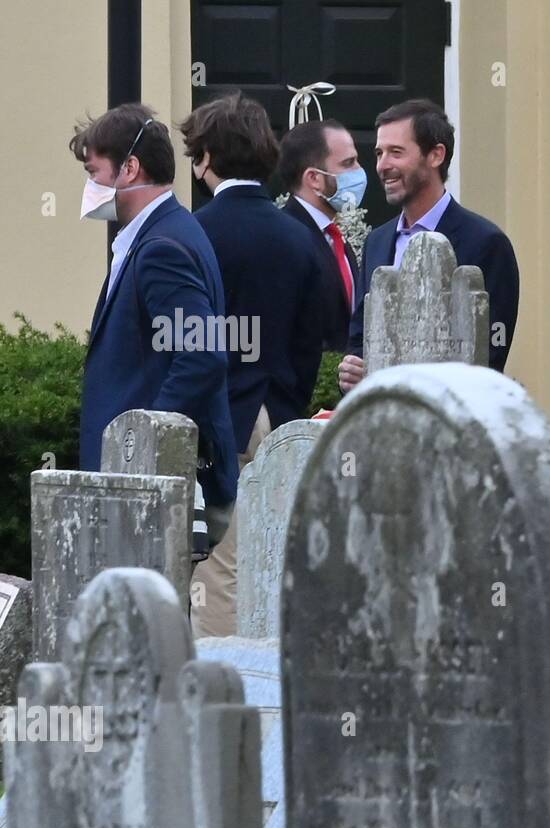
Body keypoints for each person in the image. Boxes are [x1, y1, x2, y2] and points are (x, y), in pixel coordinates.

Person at [180, 92, 324, 637]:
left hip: (218, 419)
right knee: (271, 562)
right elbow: (311, 338)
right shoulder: (299, 235)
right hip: (281, 417)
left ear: (206, 158)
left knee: (219, 566)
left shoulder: (195, 232)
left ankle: (225, 698)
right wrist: (287, 406)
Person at [71, 103, 238, 542]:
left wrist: (143, 445)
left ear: (129, 168)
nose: (90, 185)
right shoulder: (164, 231)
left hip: (147, 487)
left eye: (94, 171)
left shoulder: (162, 244)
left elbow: (202, 357)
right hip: (141, 485)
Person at [338, 99, 519, 391]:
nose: (383, 166)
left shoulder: (487, 243)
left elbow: (489, 358)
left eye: (396, 152)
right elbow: (359, 339)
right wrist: (352, 372)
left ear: (435, 155)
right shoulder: (377, 242)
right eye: (379, 153)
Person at [279, 118, 364, 352]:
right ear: (314, 178)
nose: (360, 171)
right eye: (348, 163)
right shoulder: (287, 240)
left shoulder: (334, 236)